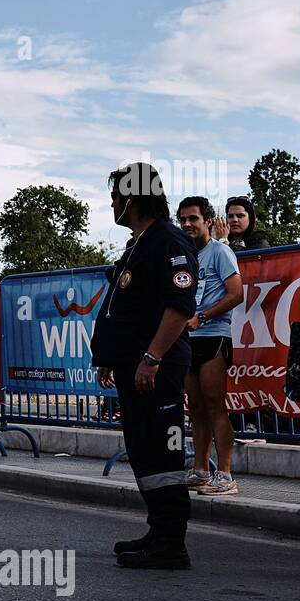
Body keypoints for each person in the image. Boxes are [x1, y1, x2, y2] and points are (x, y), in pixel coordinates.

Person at [92, 163, 198, 570]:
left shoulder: (168, 241)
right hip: (132, 367)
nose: (113, 205)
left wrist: (151, 359)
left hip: (157, 369)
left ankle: (173, 542)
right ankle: (158, 530)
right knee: (144, 450)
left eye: (117, 197)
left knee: (163, 451)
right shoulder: (140, 243)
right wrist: (109, 358)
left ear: (133, 200)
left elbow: (179, 306)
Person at [176, 197, 244, 496]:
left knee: (216, 406)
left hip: (214, 335)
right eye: (183, 220)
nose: (188, 224)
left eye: (193, 218)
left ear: (207, 220)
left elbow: (236, 293)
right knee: (196, 408)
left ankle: (226, 474)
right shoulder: (183, 255)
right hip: (187, 339)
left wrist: (202, 316)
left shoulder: (220, 251)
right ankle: (201, 469)